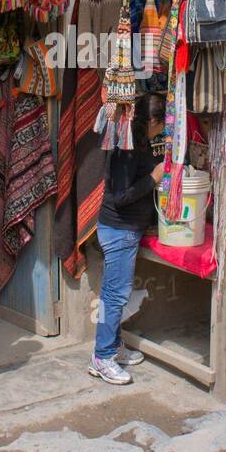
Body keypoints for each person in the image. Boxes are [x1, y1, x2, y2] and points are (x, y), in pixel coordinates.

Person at [89, 94, 164, 385]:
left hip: (127, 229)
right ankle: (102, 356)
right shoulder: (125, 147)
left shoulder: (137, 140)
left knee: (116, 292)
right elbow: (120, 196)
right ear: (152, 120)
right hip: (118, 229)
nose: (164, 129)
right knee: (114, 294)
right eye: (162, 123)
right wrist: (154, 179)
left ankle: (113, 346)